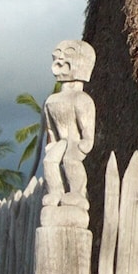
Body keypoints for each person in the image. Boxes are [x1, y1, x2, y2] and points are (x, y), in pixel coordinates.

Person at [43, 40, 96, 208]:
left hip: (74, 142)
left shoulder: (81, 99)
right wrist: (52, 142)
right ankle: (56, 191)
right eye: (57, 52)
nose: (60, 57)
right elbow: (50, 128)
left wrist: (86, 141)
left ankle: (77, 193)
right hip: (61, 141)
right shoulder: (51, 100)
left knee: (70, 161)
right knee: (49, 162)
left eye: (69, 52)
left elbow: (87, 125)